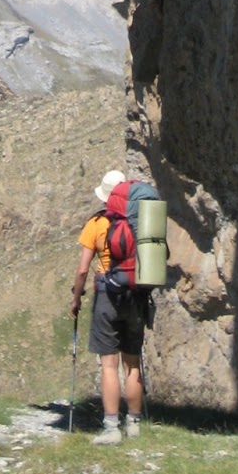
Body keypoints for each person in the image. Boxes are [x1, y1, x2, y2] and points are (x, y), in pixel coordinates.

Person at [70, 168, 146, 444]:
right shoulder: (141, 223)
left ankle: (112, 428)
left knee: (109, 365)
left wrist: (76, 298)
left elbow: (81, 270)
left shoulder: (96, 224)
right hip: (136, 296)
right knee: (133, 364)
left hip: (107, 295)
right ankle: (135, 424)